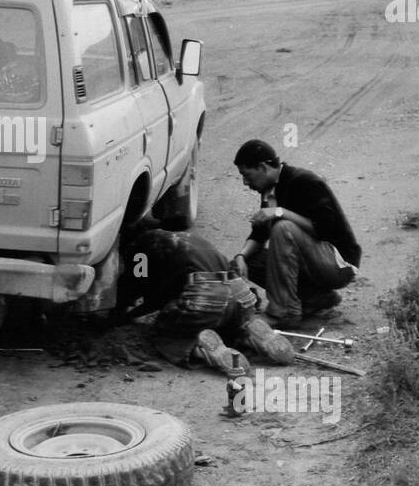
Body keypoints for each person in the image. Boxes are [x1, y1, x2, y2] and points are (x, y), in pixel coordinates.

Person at [110, 217, 295, 366]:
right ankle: (252, 332)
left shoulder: (140, 249)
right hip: (240, 293)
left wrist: (120, 314)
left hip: (207, 294)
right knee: (229, 321)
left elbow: (136, 285)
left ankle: (201, 347)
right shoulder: (185, 239)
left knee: (168, 330)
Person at [228, 139, 361, 329]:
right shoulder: (269, 190)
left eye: (247, 175)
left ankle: (285, 312)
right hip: (315, 262)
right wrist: (241, 256)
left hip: (339, 264)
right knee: (251, 259)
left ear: (263, 167)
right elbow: (259, 234)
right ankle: (316, 298)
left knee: (283, 228)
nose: (245, 182)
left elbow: (324, 230)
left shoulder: (304, 181)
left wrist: (280, 212)